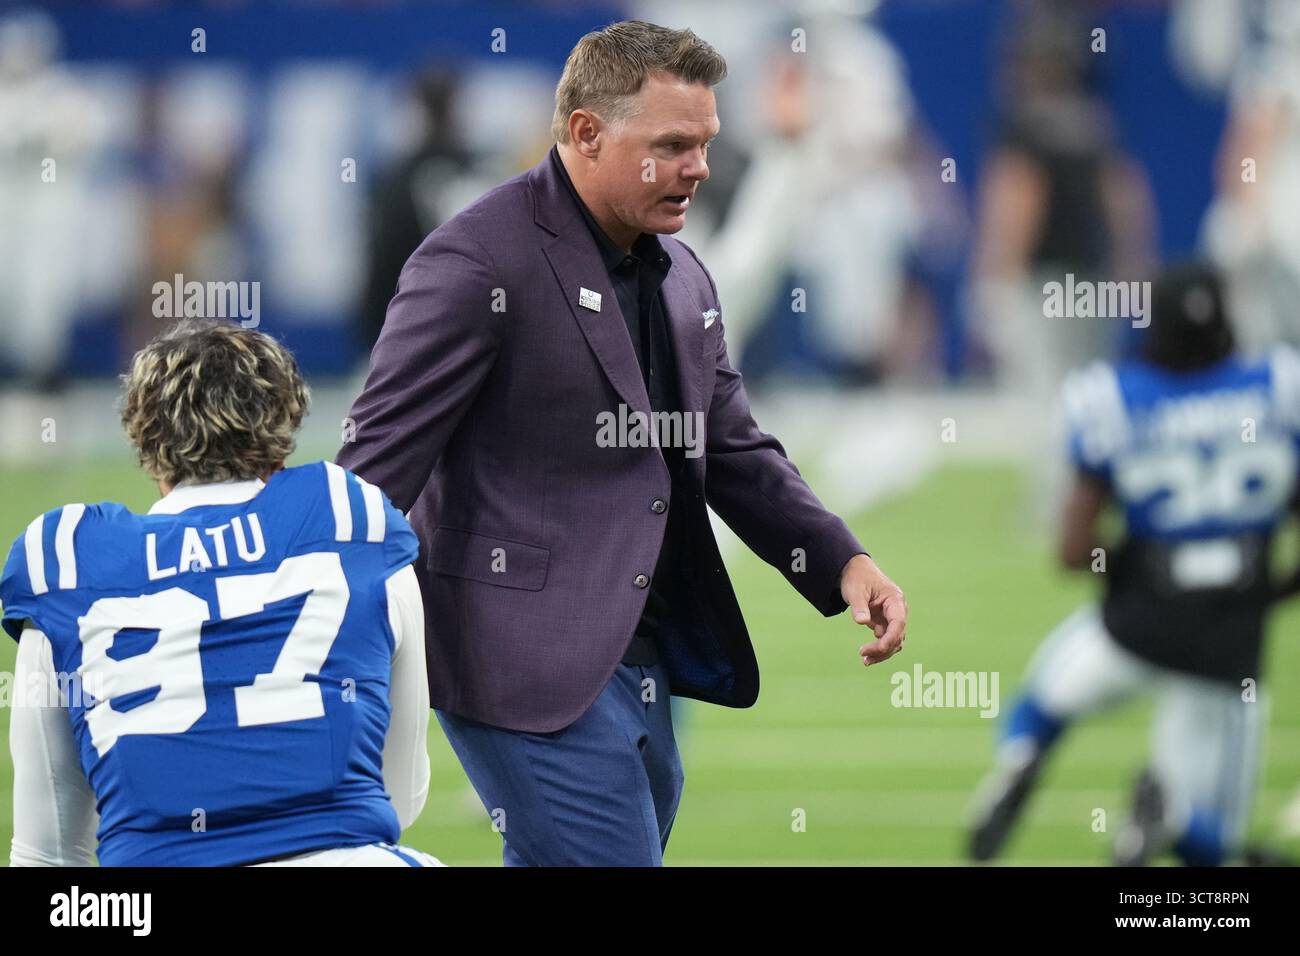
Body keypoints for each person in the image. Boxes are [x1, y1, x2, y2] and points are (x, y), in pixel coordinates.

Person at [336, 20, 908, 867]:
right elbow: (370, 473)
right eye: (673, 144)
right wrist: (297, 627)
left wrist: (839, 561)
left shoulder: (682, 272)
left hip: (643, 653)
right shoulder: (475, 262)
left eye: (706, 143)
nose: (700, 167)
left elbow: (734, 448)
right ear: (586, 134)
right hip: (517, 659)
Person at [1, 318, 439, 867]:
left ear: (145, 440)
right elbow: (399, 795)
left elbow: (47, 852)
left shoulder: (65, 560)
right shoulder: (355, 522)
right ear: (281, 433)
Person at [967, 262, 1299, 866]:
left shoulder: (1115, 399)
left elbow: (1072, 550)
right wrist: (1273, 588)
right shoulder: (1277, 390)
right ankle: (1172, 815)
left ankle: (1020, 759)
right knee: (1214, 853)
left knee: (1040, 706)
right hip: (1226, 640)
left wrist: (1128, 569)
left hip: (1136, 622)